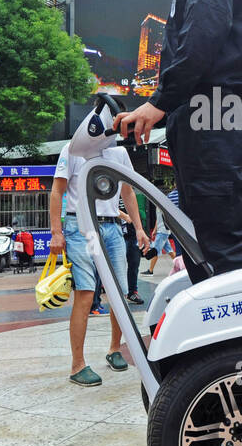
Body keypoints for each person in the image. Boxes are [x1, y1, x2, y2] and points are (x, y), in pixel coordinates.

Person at [117, 0, 242, 283]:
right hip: (210, 113)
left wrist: (159, 102)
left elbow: (201, 37)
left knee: (217, 238)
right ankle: (227, 337)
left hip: (210, 113)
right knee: (201, 236)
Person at [50, 142, 149, 386]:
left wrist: (138, 228)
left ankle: (115, 349)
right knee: (85, 293)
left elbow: (127, 192)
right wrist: (56, 232)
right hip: (80, 226)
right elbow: (57, 190)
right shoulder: (72, 148)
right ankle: (77, 365)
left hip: (112, 227)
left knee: (119, 294)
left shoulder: (120, 153)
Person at [142, 182, 178, 273]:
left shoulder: (163, 204)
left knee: (155, 251)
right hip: (162, 231)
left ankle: (150, 270)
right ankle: (180, 266)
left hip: (163, 231)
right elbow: (158, 219)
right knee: (170, 251)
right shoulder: (158, 204)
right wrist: (155, 230)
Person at [118, 198, 144, 305]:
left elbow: (138, 212)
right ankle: (117, 293)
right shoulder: (110, 189)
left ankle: (132, 292)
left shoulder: (129, 191)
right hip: (117, 234)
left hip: (133, 235)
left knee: (134, 264)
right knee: (117, 267)